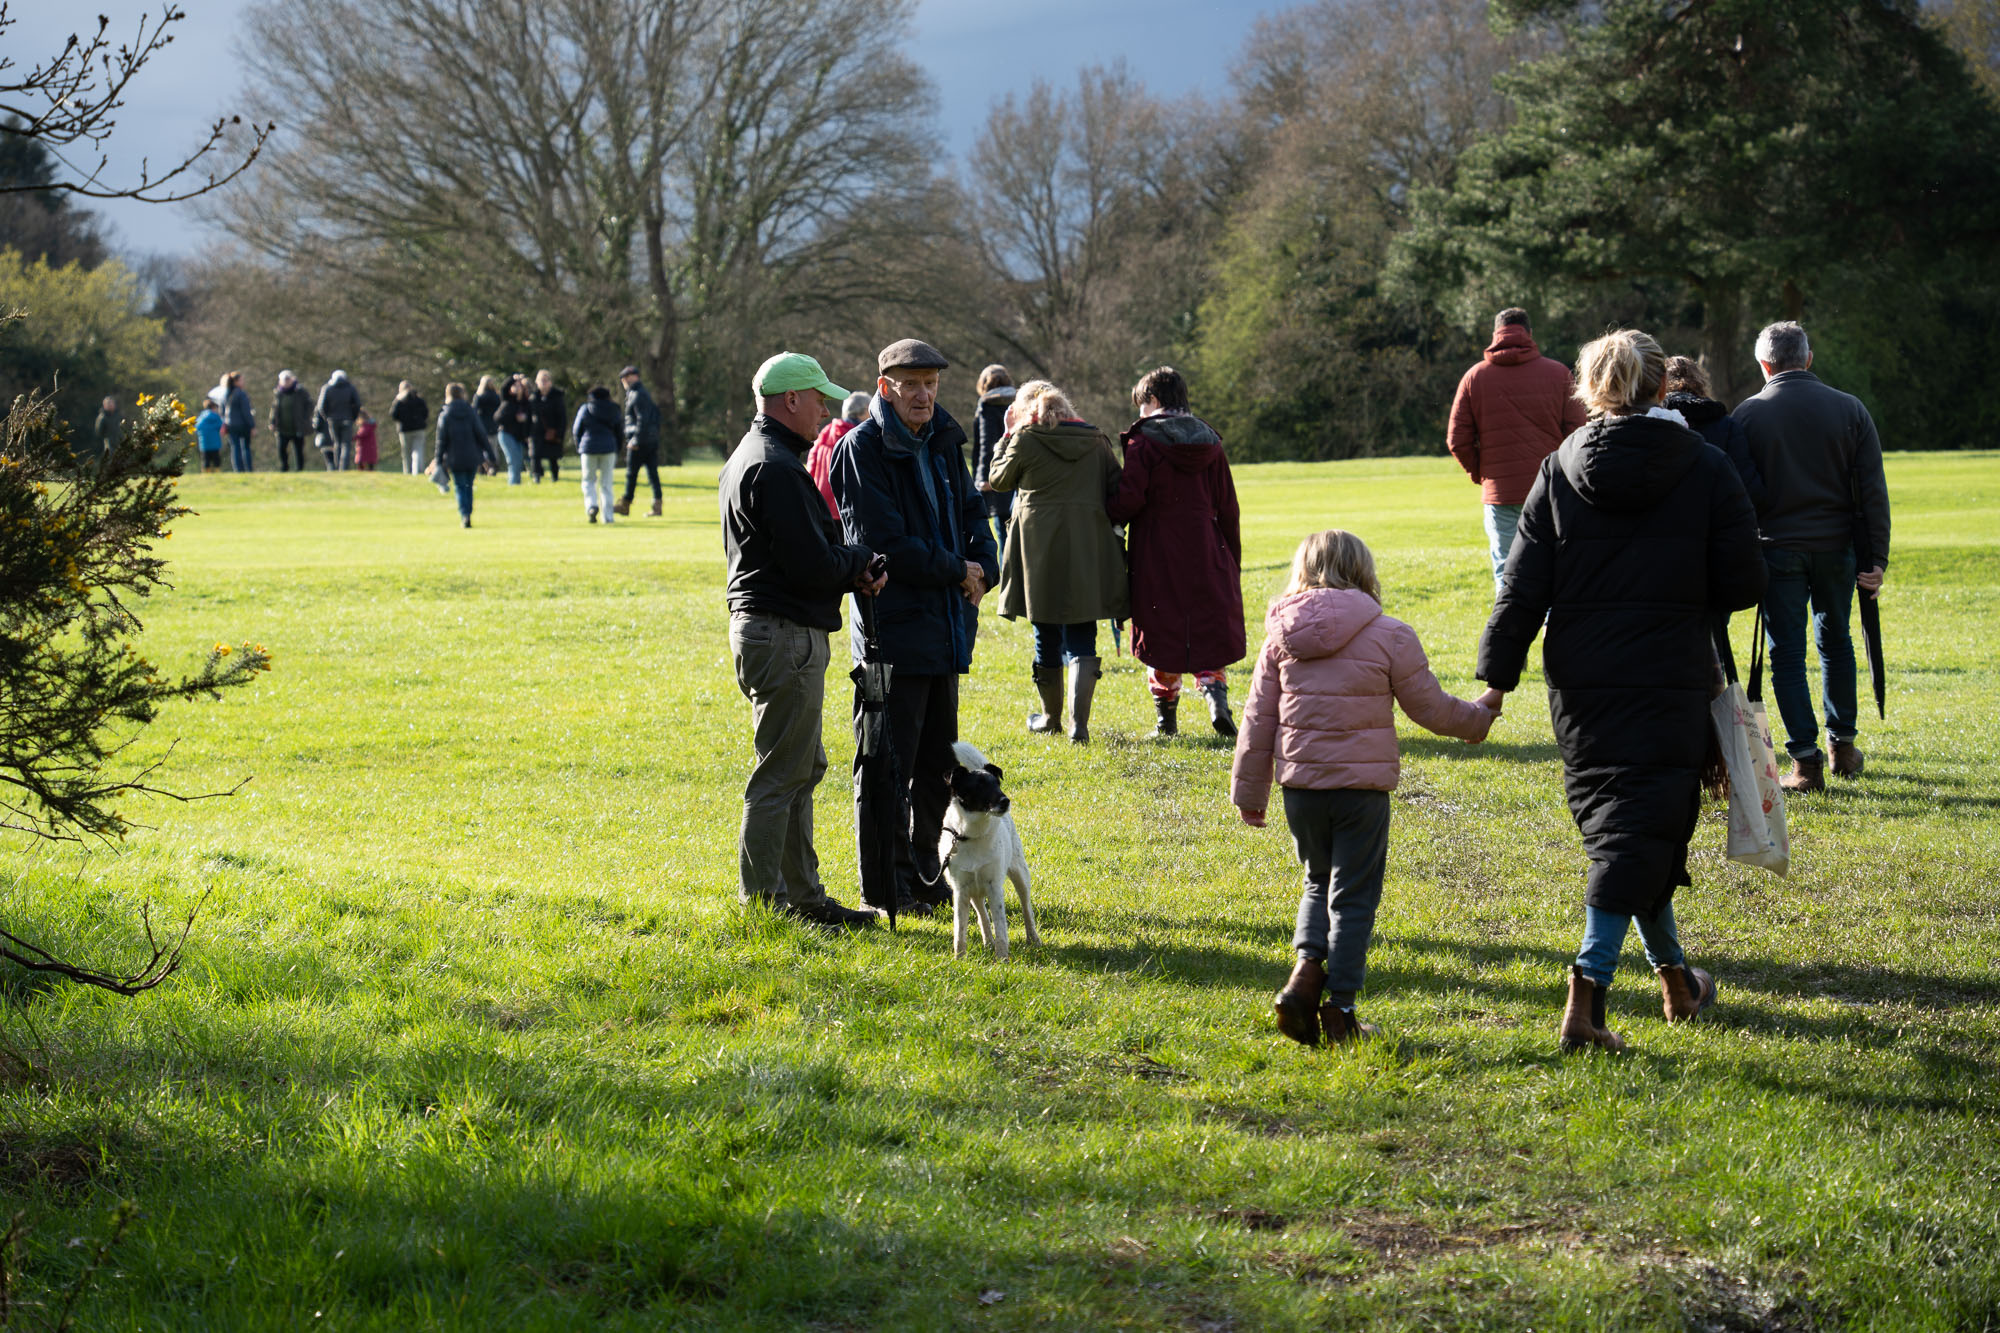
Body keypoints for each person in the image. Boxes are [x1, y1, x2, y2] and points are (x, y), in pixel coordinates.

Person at [1476, 328, 1765, 1054]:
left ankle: (1677, 982)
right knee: (1634, 833)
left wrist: (1497, 680)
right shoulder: (1705, 464)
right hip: (1672, 673)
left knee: (1633, 828)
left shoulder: (1558, 467)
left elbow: (1521, 588)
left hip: (1583, 684)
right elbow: (1742, 582)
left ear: (1591, 390)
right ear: (1662, 386)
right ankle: (1586, 999)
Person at [1233, 530, 1495, 1045]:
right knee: (1353, 896)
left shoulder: (1280, 637)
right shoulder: (1389, 633)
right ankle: (1341, 1010)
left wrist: (1249, 794)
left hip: (1301, 789)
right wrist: (1478, 718)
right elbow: (1430, 707)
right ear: (1362, 571)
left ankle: (1303, 978)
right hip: (1361, 790)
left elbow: (1257, 720)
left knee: (1317, 880)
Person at [829, 338, 999, 917]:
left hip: (945, 630)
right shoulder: (860, 449)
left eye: (931, 383)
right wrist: (958, 569)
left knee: (937, 769)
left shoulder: (945, 440)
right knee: (885, 767)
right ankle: (886, 886)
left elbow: (974, 513)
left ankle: (927, 874)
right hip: (891, 637)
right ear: (885, 387)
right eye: (911, 384)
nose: (923, 395)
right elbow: (884, 542)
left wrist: (986, 567)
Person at [719, 351, 886, 929]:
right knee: (781, 774)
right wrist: (858, 560)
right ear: (790, 400)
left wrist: (848, 561)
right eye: (819, 399)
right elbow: (811, 565)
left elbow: (804, 554)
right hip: (784, 633)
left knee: (799, 766)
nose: (825, 410)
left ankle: (804, 899)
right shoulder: (776, 468)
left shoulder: (752, 456)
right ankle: (768, 906)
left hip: (770, 630)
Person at [1731, 321, 1891, 793]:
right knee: (1837, 642)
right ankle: (1842, 745)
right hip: (1837, 546)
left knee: (1786, 654)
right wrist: (1877, 557)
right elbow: (1873, 490)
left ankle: (1805, 760)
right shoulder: (1850, 408)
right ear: (1808, 357)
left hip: (1776, 547)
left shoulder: (1747, 414)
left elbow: (1739, 495)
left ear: (1764, 364)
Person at [1109, 366, 1244, 739]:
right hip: (1206, 545)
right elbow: (1228, 508)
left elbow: (1131, 499)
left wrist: (1109, 511)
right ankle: (1216, 698)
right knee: (1205, 626)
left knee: (1159, 627)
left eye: (1141, 405)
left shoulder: (1144, 442)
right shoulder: (1210, 442)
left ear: (1152, 400)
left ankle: (1166, 720)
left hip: (1157, 549)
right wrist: (1231, 559)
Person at [988, 379, 1127, 743]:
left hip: (1038, 547)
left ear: (1025, 409)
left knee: (1045, 630)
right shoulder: (1096, 440)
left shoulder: (1024, 439)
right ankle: (1079, 725)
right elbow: (1117, 488)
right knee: (1083, 629)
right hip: (1088, 545)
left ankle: (1050, 718)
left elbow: (998, 480)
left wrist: (1006, 435)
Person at [1446, 308, 1588, 595]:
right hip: (1549, 488)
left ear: (1495, 335)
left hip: (1500, 491)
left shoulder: (1474, 377)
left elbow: (1457, 440)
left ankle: (1509, 622)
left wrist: (1481, 473)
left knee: (1507, 571)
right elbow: (1578, 432)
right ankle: (1551, 621)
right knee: (1552, 566)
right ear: (1529, 334)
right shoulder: (1558, 373)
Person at [432, 382, 495, 527]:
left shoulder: (445, 414)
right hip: (472, 455)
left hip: (454, 457)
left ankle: (464, 514)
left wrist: (438, 459)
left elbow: (441, 440)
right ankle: (468, 512)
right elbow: (481, 435)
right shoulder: (471, 412)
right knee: (468, 485)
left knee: (460, 486)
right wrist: (490, 455)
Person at [972, 364, 1017, 561]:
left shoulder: (987, 405)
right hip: (1020, 471)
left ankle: (1007, 575)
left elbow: (987, 443)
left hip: (998, 474)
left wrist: (985, 478)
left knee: (1003, 535)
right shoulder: (1020, 402)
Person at [807, 391, 868, 521]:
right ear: (862, 412)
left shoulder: (827, 431)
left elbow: (812, 465)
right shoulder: (860, 436)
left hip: (822, 504)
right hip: (849, 507)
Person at [614, 364, 662, 517]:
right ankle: (656, 505)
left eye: (627, 377)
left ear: (635, 377)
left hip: (640, 441)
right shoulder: (639, 393)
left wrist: (635, 440)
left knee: (631, 474)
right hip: (649, 439)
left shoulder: (638, 394)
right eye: (624, 378)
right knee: (652, 474)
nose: (625, 381)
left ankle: (625, 504)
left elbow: (643, 419)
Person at [573, 384, 622, 522]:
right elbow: (619, 431)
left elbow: (577, 429)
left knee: (588, 480)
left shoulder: (585, 408)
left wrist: (580, 446)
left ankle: (591, 506)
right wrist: (617, 447)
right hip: (609, 448)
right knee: (606, 483)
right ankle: (608, 517)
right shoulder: (614, 409)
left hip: (588, 448)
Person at [314, 370, 362, 470]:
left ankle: (337, 466)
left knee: (337, 443)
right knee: (346, 444)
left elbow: (321, 406)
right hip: (347, 419)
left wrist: (327, 417)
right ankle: (344, 467)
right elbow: (357, 404)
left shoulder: (327, 388)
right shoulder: (350, 388)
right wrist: (353, 416)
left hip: (333, 420)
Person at [390, 381, 435, 487]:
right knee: (418, 450)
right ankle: (418, 470)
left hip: (405, 430)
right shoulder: (419, 399)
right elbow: (426, 413)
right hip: (419, 429)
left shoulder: (399, 400)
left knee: (406, 453)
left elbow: (393, 414)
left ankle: (408, 471)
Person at [493, 376, 532, 485]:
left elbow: (530, 417)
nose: (517, 388)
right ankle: (513, 483)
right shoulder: (507, 400)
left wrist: (525, 418)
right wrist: (513, 378)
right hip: (506, 434)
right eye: (514, 386)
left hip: (519, 436)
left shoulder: (526, 402)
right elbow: (504, 387)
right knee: (513, 459)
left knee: (518, 460)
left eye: (519, 386)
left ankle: (516, 483)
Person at [271, 371, 312, 472]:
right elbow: (274, 409)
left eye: (288, 379)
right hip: (282, 428)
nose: (286, 382)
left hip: (298, 426)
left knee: (299, 450)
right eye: (284, 380)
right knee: (282, 449)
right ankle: (284, 468)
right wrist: (272, 422)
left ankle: (299, 469)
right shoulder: (278, 393)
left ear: (293, 379)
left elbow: (310, 405)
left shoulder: (301, 391)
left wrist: (305, 418)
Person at [530, 370, 566, 482]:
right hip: (537, 432)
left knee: (553, 457)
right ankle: (536, 476)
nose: (543, 383)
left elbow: (562, 417)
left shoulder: (557, 396)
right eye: (541, 380)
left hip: (553, 431)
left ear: (550, 382)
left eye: (546, 380)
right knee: (535, 455)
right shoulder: (533, 397)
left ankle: (555, 476)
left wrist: (559, 433)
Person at [223, 371, 256, 472]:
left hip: (230, 425)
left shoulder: (227, 394)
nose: (243, 382)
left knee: (235, 448)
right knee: (246, 447)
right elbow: (246, 412)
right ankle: (248, 469)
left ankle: (238, 469)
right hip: (243, 425)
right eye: (241, 380)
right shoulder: (241, 394)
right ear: (235, 382)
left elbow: (223, 411)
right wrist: (252, 426)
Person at [473, 374, 503, 471]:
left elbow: (474, 411)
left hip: (482, 425)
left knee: (483, 447)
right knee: (493, 447)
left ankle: (485, 467)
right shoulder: (497, 396)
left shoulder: (479, 396)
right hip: (494, 425)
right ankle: (494, 466)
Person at [194, 398, 224, 473]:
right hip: (215, 443)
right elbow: (221, 426)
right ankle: (217, 471)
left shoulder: (201, 417)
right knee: (216, 459)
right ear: (213, 407)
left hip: (204, 443)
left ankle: (205, 473)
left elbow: (196, 428)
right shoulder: (216, 417)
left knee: (205, 460)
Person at [92, 396, 122, 460]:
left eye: (112, 403)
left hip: (120, 442)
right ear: (104, 405)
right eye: (108, 404)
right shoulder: (102, 418)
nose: (110, 405)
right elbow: (99, 432)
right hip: (109, 444)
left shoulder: (118, 415)